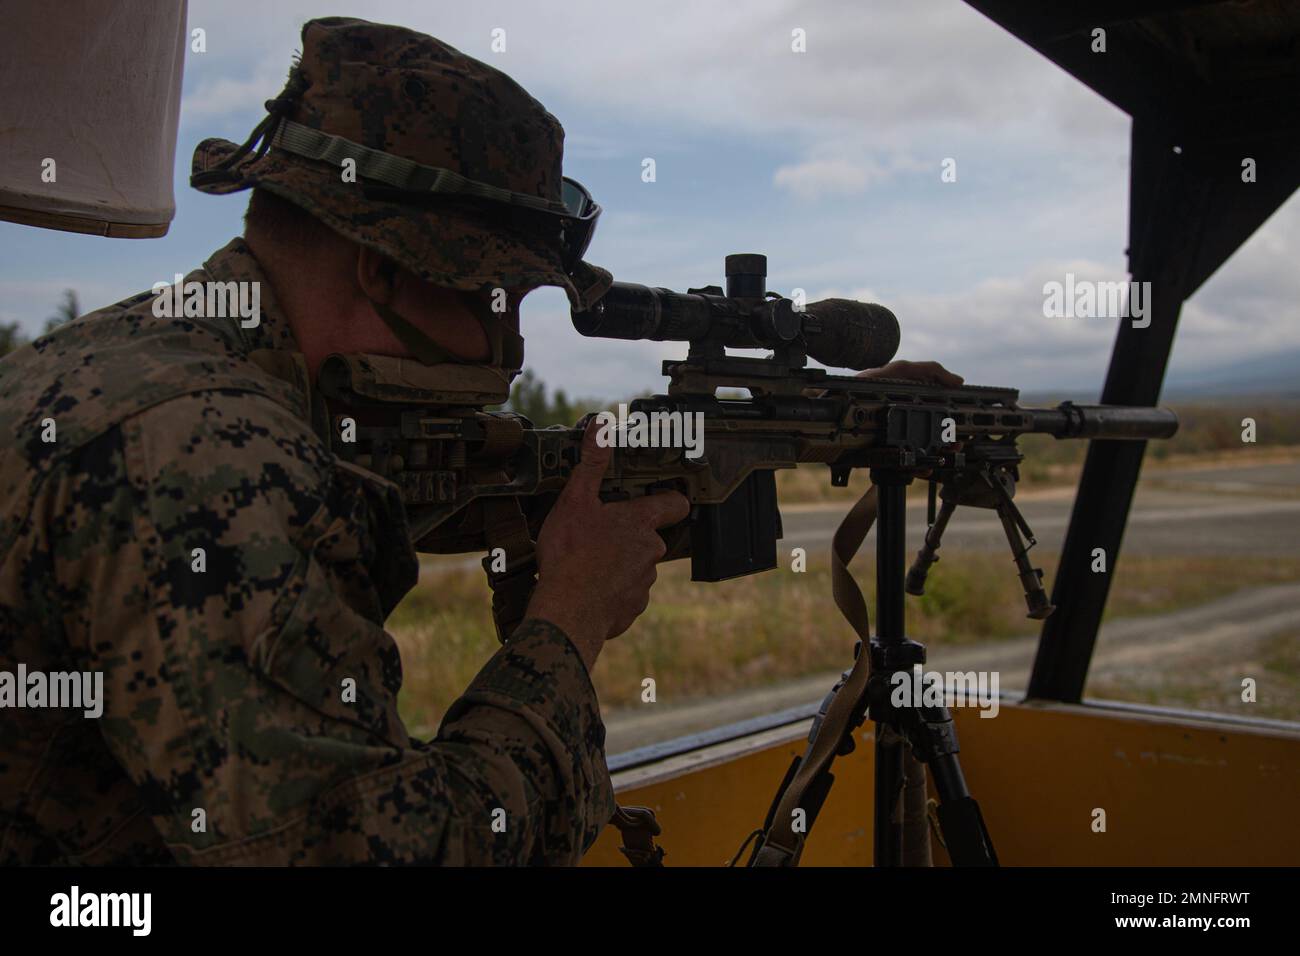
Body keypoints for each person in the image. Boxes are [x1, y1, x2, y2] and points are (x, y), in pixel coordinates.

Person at [0, 17, 959, 865]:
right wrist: (569, 619)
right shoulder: (222, 460)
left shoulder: (142, 365)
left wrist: (806, 422)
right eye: (497, 301)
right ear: (383, 273)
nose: (507, 347)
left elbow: (449, 474)